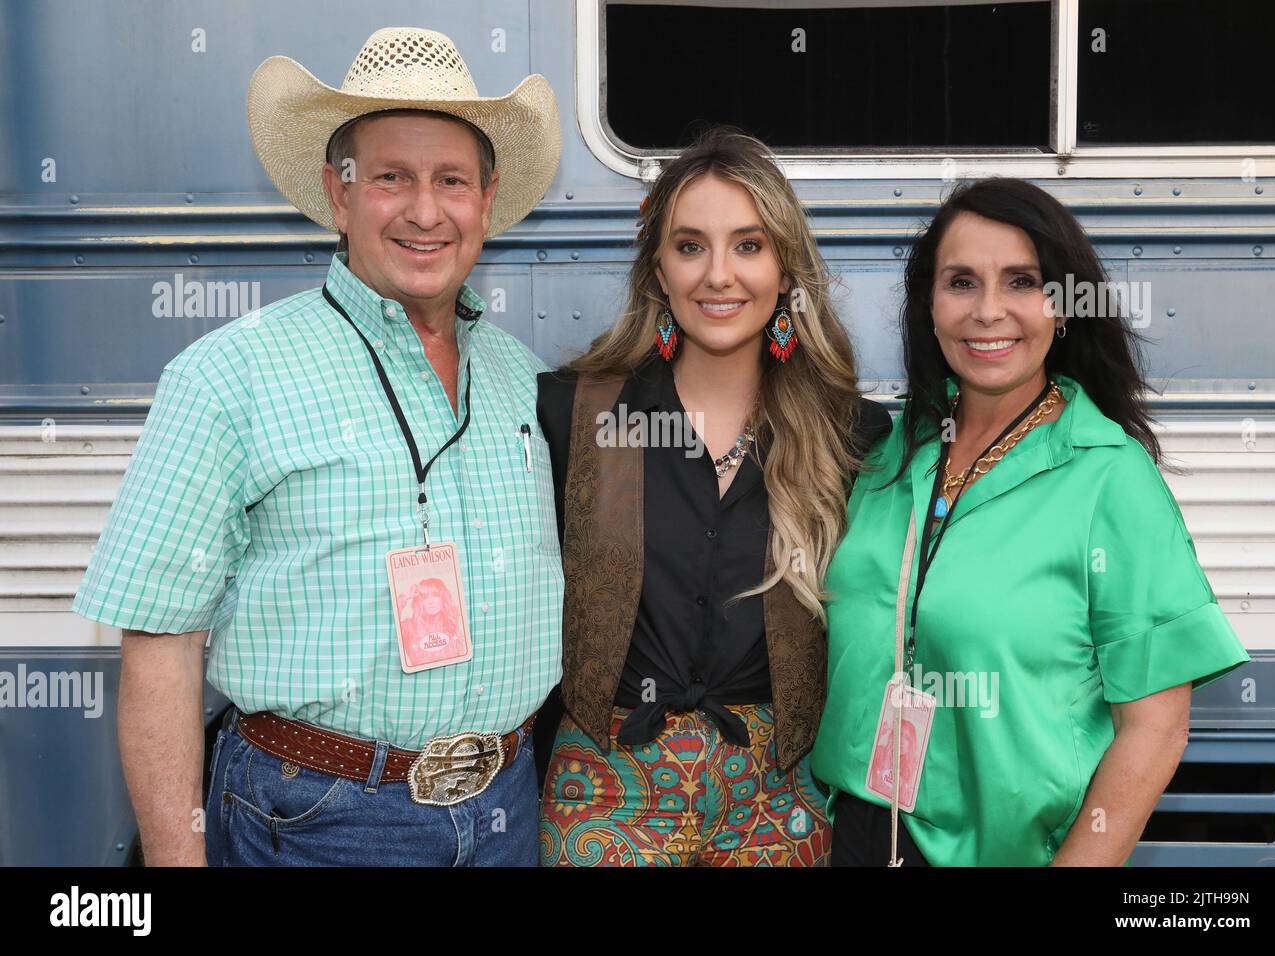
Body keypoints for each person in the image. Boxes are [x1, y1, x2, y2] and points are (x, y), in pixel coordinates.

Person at [71, 28, 564, 866]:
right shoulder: (229, 374)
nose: (424, 210)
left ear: (486, 200)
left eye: (451, 181)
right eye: (390, 179)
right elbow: (160, 646)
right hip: (314, 820)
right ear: (340, 198)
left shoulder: (525, 380)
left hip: (509, 809)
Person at [811, 178, 1250, 866]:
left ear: (1065, 306)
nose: (989, 311)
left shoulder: (1108, 476)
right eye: (961, 282)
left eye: (1022, 281)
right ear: (930, 305)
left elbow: (1155, 731)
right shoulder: (892, 454)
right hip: (856, 841)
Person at [535, 127, 892, 866]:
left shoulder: (851, 433)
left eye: (749, 246)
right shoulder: (574, 412)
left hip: (776, 799)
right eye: (691, 245)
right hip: (604, 789)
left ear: (786, 267)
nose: (719, 275)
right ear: (658, 271)